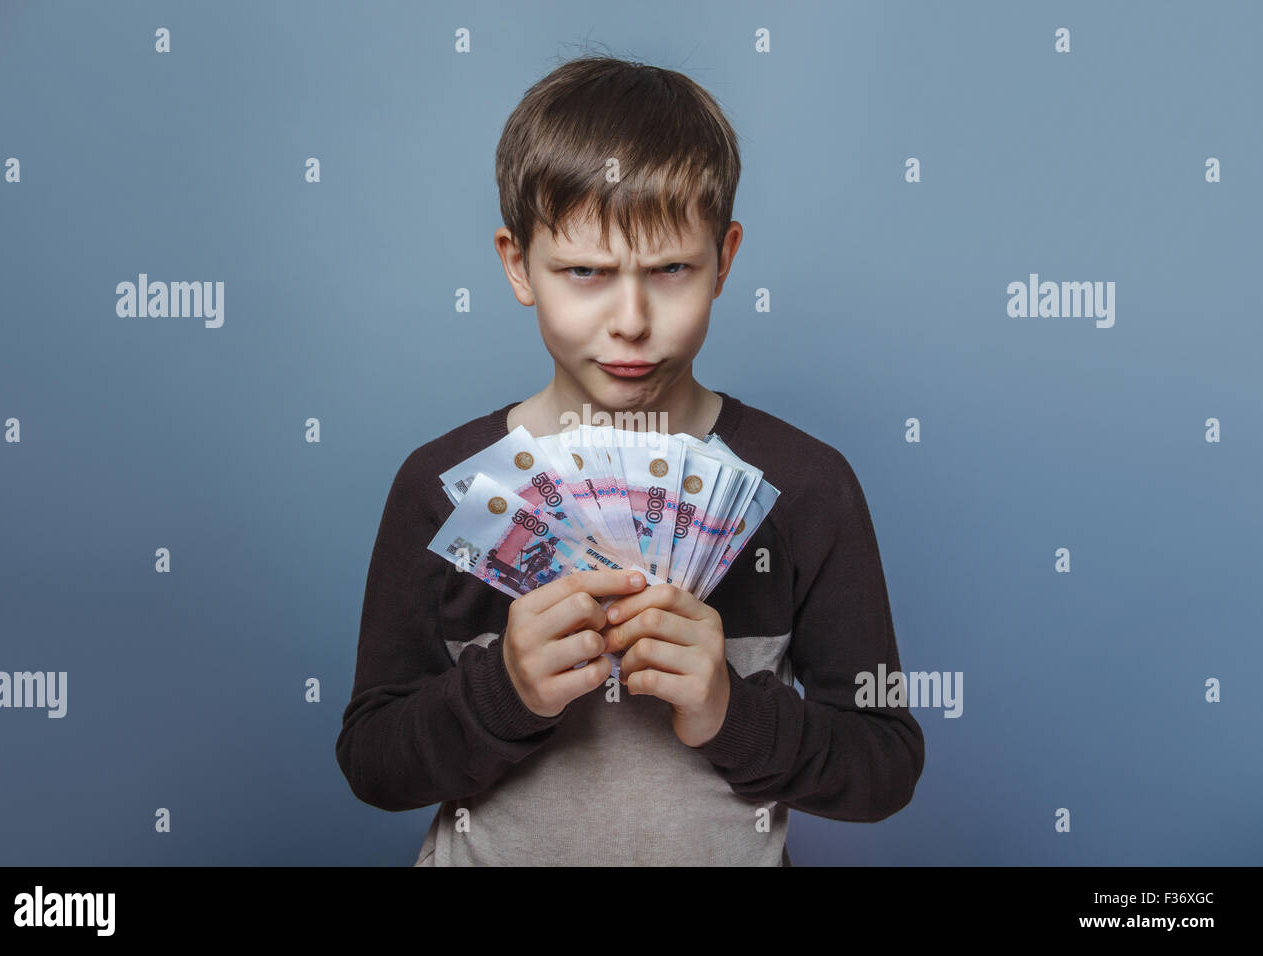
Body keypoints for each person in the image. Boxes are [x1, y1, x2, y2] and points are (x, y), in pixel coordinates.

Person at [335, 54, 924, 866]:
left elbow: (885, 765)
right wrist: (503, 690)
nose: (631, 320)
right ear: (517, 266)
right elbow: (372, 759)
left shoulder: (808, 487)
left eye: (671, 269)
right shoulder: (448, 489)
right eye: (585, 273)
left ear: (726, 259)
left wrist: (729, 710)